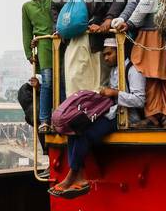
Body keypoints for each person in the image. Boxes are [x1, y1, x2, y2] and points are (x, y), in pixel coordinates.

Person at [51, 38, 145, 198]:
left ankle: (72, 174)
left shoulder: (133, 70)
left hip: (126, 117)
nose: (106, 58)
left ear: (119, 52)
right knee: (75, 128)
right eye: (105, 54)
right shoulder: (114, 71)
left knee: (86, 133)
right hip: (111, 113)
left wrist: (115, 93)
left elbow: (140, 100)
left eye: (109, 54)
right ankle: (78, 174)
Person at [22, 0, 55, 132]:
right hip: (41, 47)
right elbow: (26, 32)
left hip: (57, 44)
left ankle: (59, 114)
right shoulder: (27, 7)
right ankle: (44, 119)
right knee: (47, 82)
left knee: (61, 81)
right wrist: (29, 54)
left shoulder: (52, 1)